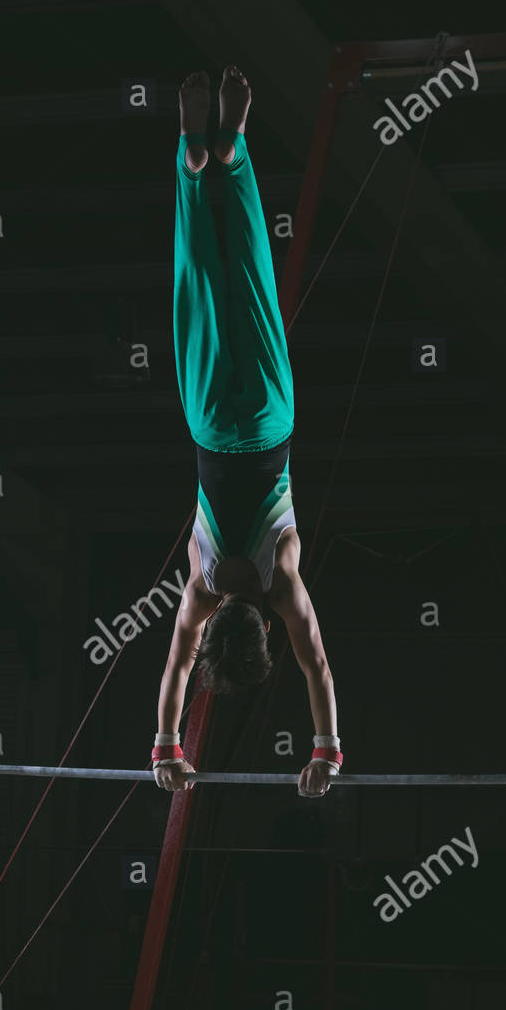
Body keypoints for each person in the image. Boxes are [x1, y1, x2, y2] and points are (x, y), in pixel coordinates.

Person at [152, 66, 341, 799]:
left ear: (261, 629)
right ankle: (195, 157)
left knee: (252, 280)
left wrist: (327, 752)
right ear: (217, 632)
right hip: (207, 423)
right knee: (201, 285)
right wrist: (163, 746)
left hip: (267, 423)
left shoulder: (283, 581)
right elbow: (174, 668)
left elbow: (317, 666)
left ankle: (232, 154)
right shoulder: (198, 589)